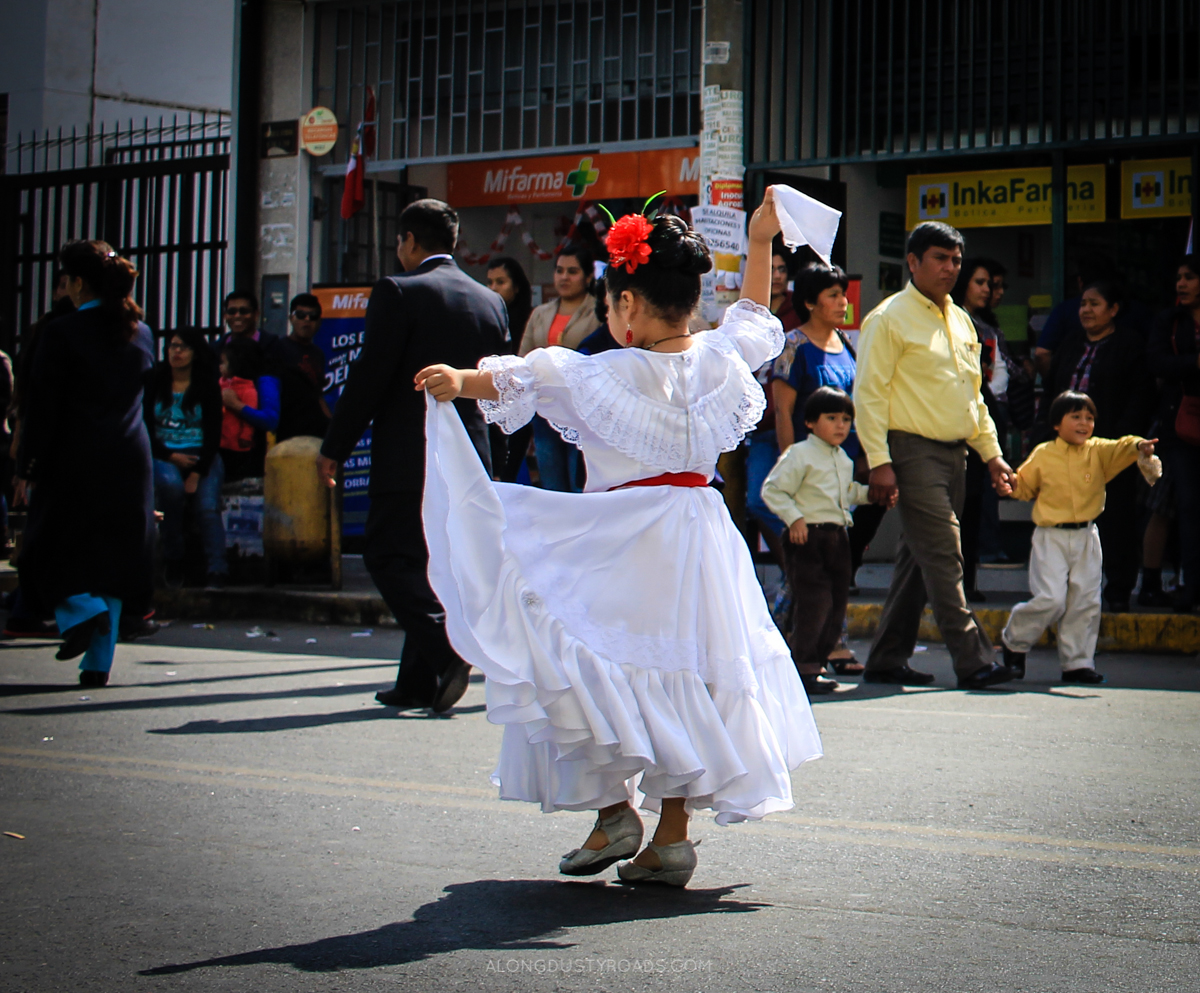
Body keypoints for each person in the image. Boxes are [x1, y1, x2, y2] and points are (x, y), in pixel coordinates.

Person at [413, 189, 820, 889]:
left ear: (628, 305)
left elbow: (521, 376)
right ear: (692, 298)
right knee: (694, 670)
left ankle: (613, 811)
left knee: (569, 649)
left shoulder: (601, 372)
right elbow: (753, 318)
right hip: (701, 538)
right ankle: (671, 835)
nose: (608, 316)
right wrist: (759, 242)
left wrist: (458, 381)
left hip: (622, 536)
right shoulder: (722, 362)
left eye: (609, 304)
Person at [318, 199, 508, 713]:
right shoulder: (489, 301)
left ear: (408, 241)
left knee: (386, 554)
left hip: (411, 451)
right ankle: (416, 681)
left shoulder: (398, 291)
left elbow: (370, 377)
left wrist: (335, 446)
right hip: (469, 454)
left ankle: (444, 645)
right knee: (432, 561)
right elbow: (502, 386)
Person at [855, 221, 1019, 690]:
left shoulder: (962, 319)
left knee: (918, 558)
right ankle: (974, 660)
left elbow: (975, 397)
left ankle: (886, 658)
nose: (950, 268)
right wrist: (879, 461)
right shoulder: (888, 318)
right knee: (946, 552)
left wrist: (992, 455)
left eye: (956, 260)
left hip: (956, 454)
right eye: (940, 258)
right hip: (910, 450)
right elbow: (868, 395)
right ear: (913, 262)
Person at [16, 240, 155, 687]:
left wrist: (27, 465)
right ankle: (97, 665)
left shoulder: (61, 333)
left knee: (45, 546)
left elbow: (42, 408)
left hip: (74, 458)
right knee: (114, 563)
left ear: (76, 283)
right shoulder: (142, 332)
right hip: (132, 457)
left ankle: (82, 610)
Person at [999, 392, 1157, 684]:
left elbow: (1122, 446)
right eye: (1076, 416)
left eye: (1089, 417)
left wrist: (1139, 445)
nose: (1084, 423)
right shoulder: (1044, 453)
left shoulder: (1098, 451)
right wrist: (1008, 486)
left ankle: (1077, 663)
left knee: (1085, 599)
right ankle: (1014, 642)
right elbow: (1023, 486)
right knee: (1051, 598)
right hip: (1051, 536)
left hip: (1086, 536)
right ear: (1056, 424)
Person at [761, 386, 892, 696]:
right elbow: (773, 490)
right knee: (814, 603)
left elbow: (845, 494)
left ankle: (815, 664)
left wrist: (871, 495)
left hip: (838, 538)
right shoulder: (799, 454)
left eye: (847, 419)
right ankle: (804, 667)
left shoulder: (843, 460)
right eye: (831, 417)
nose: (840, 425)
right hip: (808, 536)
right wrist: (794, 519)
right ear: (809, 422)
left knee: (836, 605)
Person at [1040, 280, 1153, 612]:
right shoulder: (1072, 344)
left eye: (1095, 304)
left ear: (1114, 309)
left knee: (1115, 519)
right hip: (1065, 451)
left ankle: (1117, 589)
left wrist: (1118, 441)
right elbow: (1053, 390)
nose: (1086, 310)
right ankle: (1067, 591)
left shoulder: (1129, 345)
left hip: (1108, 449)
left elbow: (1139, 398)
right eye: (1083, 304)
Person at [146, 327, 226, 588]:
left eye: (183, 347)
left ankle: (217, 570)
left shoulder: (206, 384)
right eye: (172, 346)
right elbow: (145, 427)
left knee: (207, 507)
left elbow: (214, 433)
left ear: (195, 352)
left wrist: (196, 472)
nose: (176, 352)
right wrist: (170, 456)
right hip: (165, 454)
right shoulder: (154, 380)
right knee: (170, 490)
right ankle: (174, 561)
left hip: (202, 455)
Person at [518, 245, 601, 491]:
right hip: (546, 411)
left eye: (572, 271)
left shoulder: (599, 311)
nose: (564, 277)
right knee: (552, 484)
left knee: (581, 486)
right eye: (560, 270)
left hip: (584, 412)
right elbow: (524, 358)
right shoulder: (540, 313)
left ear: (588, 277)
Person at [951, 257, 1010, 601]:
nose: (987, 290)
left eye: (991, 283)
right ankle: (948, 586)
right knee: (948, 516)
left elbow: (992, 379)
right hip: (946, 431)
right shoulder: (950, 321)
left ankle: (967, 582)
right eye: (980, 282)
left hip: (980, 423)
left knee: (973, 507)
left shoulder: (988, 327)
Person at [1146, 254, 1200, 612]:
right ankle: (1191, 587)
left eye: (1190, 277)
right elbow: (1156, 361)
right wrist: (1193, 363)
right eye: (1178, 277)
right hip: (1181, 423)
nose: (1181, 284)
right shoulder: (1169, 320)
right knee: (1189, 506)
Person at [486, 258, 535, 482]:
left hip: (521, 402)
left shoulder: (529, 318)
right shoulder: (487, 316)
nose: (493, 289)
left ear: (516, 287)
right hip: (490, 399)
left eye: (500, 282)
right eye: (490, 283)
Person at [269, 294, 332, 442]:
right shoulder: (278, 348)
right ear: (291, 318)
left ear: (319, 322)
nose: (307, 320)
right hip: (287, 432)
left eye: (313, 316)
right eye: (301, 315)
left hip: (315, 433)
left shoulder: (318, 353)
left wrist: (332, 425)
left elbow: (318, 394)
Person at [218, 337, 266, 481]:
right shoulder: (222, 384)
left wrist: (246, 435)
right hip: (222, 438)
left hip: (238, 443)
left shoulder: (247, 389)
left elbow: (249, 415)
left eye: (223, 363)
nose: (220, 366)